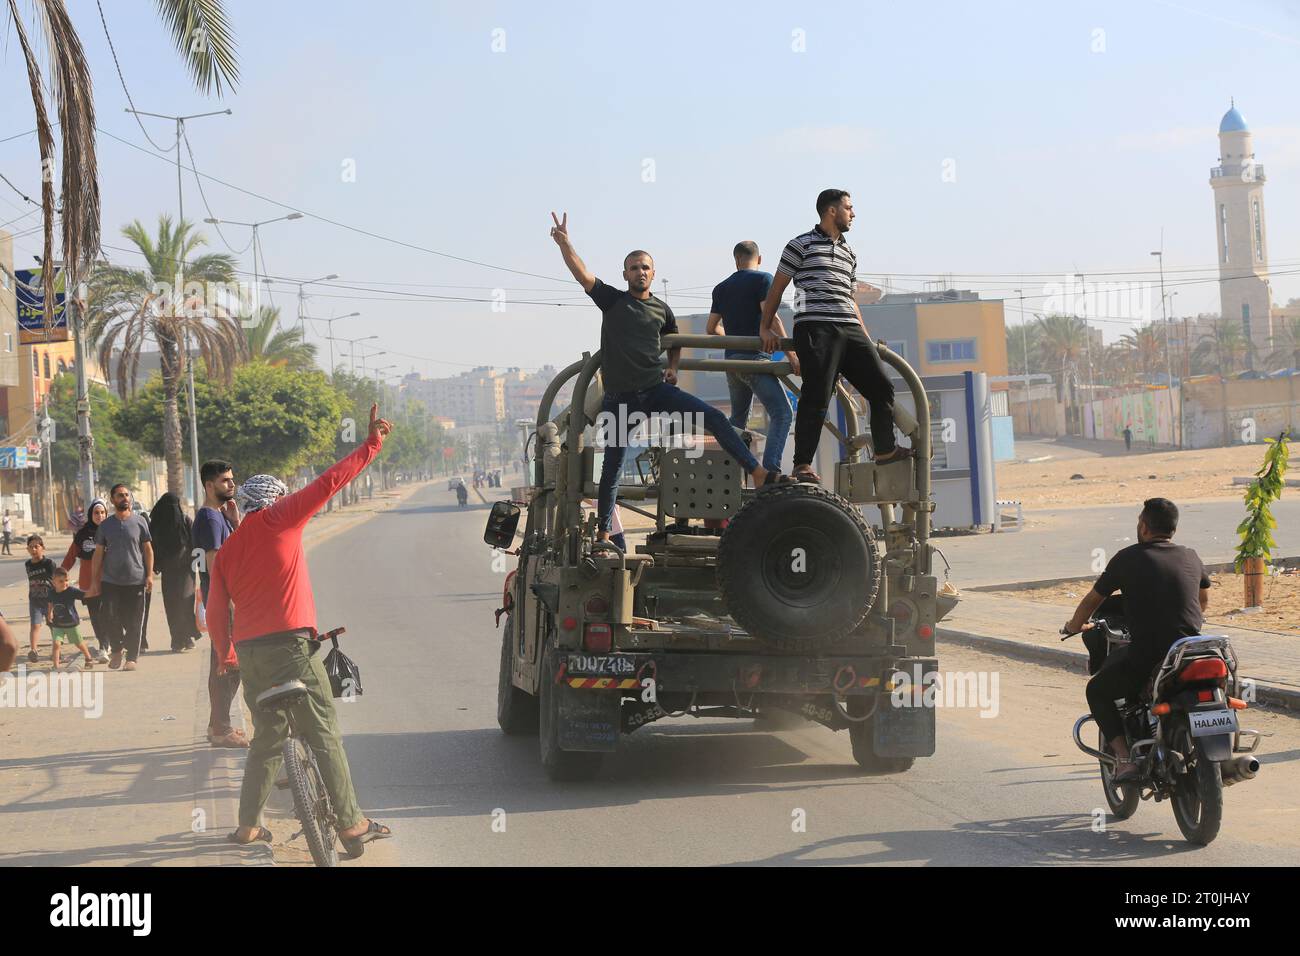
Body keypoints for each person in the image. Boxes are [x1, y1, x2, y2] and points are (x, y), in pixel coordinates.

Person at [209, 405, 394, 854]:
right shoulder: (283, 516)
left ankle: (247, 827)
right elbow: (331, 481)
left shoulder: (227, 551)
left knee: (266, 742)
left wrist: (225, 658)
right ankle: (351, 824)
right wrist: (372, 444)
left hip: (251, 655)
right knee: (323, 730)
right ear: (276, 499)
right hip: (294, 646)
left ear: (243, 504)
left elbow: (216, 612)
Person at [549, 211, 789, 545]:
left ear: (653, 272)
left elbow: (674, 338)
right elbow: (582, 274)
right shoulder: (612, 300)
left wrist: (673, 367)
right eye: (634, 267)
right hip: (620, 400)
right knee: (613, 466)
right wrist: (565, 243)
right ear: (625, 274)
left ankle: (758, 472)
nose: (640, 272)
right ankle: (605, 533)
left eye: (645, 267)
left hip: (657, 391)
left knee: (715, 418)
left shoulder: (662, 308)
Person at [760, 189, 913, 484]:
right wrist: (764, 327)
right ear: (831, 211)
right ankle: (802, 464)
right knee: (817, 394)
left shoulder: (850, 253)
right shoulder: (799, 245)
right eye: (849, 208)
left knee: (882, 387)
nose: (853, 214)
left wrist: (866, 339)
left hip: (850, 329)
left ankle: (884, 449)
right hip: (816, 327)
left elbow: (851, 300)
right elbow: (777, 289)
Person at [1063, 498, 1210, 783]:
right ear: (1173, 529)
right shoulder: (1191, 556)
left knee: (1097, 690)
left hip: (1150, 656)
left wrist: (1074, 625)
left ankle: (1124, 759)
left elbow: (1093, 600)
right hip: (1190, 652)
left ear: (1143, 526)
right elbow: (1202, 601)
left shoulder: (1127, 557)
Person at [706, 241, 795, 475]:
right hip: (754, 360)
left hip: (732, 362)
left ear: (736, 260)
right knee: (783, 413)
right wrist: (791, 354)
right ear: (760, 259)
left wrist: (734, 337)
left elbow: (711, 328)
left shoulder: (721, 288)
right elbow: (772, 318)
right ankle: (770, 469)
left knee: (738, 421)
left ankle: (729, 474)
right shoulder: (763, 279)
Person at [194, 459, 247, 749]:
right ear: (209, 485)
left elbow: (237, 550)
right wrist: (229, 602)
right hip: (222, 599)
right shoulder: (210, 518)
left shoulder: (220, 515)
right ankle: (220, 728)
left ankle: (218, 724)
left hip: (224, 599)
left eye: (231, 479)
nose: (231, 484)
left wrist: (236, 521)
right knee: (228, 663)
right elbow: (215, 564)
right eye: (225, 480)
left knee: (225, 662)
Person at [85, 483, 154, 672]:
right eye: (120, 495)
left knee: (134, 621)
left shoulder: (140, 521)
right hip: (110, 580)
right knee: (108, 616)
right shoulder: (106, 526)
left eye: (126, 495)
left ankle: (131, 657)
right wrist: (94, 581)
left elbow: (148, 549)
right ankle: (116, 650)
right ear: (112, 499)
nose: (124, 498)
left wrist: (149, 575)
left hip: (136, 579)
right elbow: (98, 554)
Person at [148, 493, 200, 653]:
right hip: (168, 572)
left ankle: (187, 635)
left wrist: (203, 569)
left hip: (187, 571)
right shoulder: (156, 526)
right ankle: (177, 639)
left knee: (185, 602)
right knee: (171, 606)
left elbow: (197, 545)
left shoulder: (186, 522)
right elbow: (151, 548)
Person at [61, 499, 110, 663]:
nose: (100, 515)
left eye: (102, 512)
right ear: (91, 514)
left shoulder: (112, 531)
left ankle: (107, 644)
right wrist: (61, 573)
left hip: (109, 581)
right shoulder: (82, 534)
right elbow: (71, 555)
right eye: (96, 512)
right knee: (95, 616)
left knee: (107, 614)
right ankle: (104, 644)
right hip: (88, 582)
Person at [46, 567, 97, 669]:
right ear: (53, 581)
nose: (64, 583)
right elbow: (50, 603)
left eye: (66, 580)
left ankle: (88, 658)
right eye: (61, 581)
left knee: (78, 643)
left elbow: (85, 594)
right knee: (56, 644)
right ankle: (55, 666)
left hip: (71, 624)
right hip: (57, 624)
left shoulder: (71, 591)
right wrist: (49, 613)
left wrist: (95, 590)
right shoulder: (51, 592)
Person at [24, 534, 57, 664]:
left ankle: (56, 651)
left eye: (36, 547)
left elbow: (55, 583)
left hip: (49, 600)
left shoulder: (49, 563)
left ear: (42, 547)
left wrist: (53, 605)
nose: (33, 550)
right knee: (35, 625)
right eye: (31, 547)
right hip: (34, 600)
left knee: (53, 626)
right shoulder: (27, 564)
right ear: (27, 549)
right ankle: (33, 650)